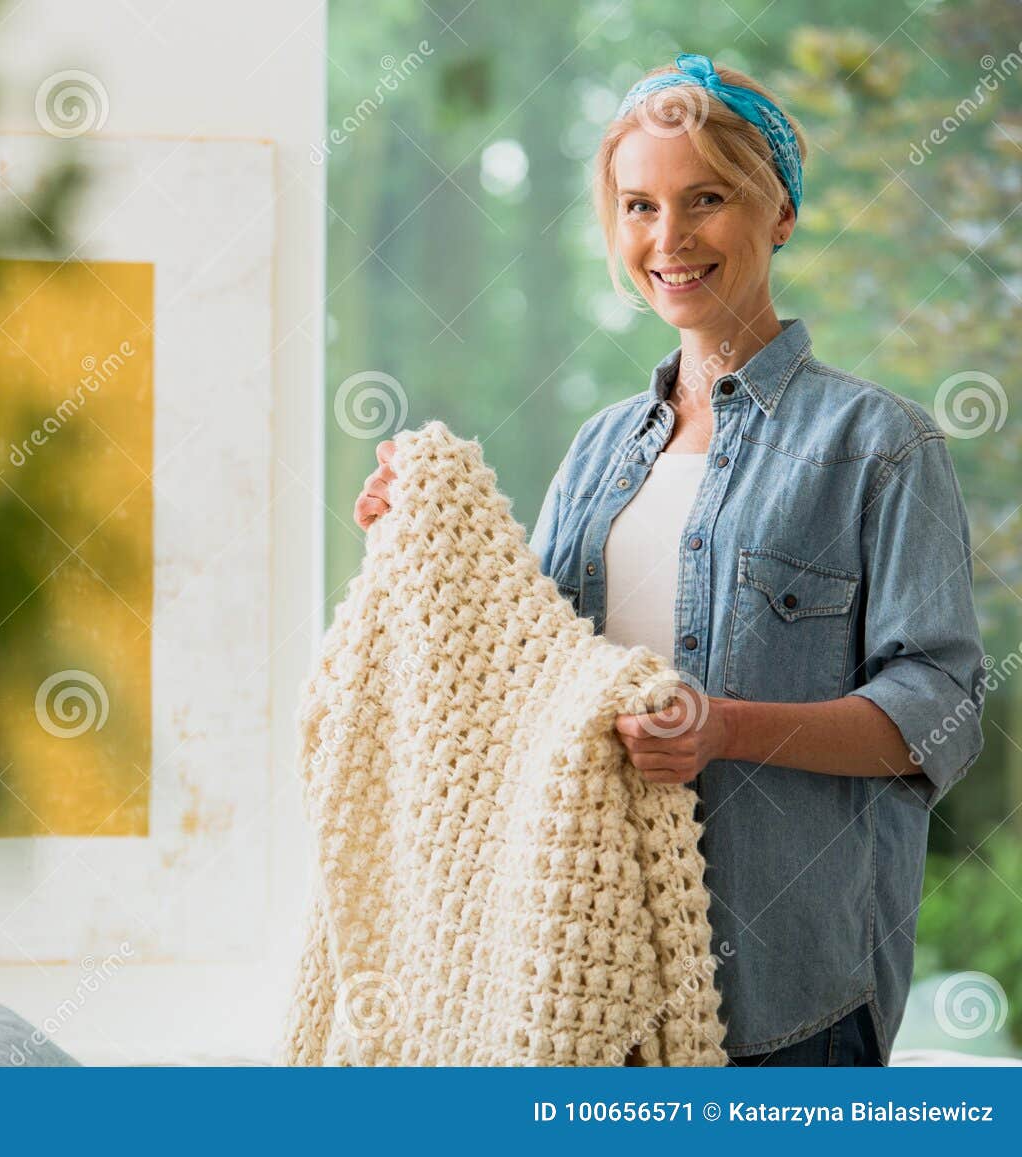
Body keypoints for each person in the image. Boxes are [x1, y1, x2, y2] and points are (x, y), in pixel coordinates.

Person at [353, 53, 987, 1067]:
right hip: (584, 983)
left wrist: (722, 727)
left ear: (780, 214)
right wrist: (418, 542)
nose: (669, 238)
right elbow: (525, 679)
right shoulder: (599, 451)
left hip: (790, 1000)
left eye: (707, 199)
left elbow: (936, 709)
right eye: (639, 205)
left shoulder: (880, 445)